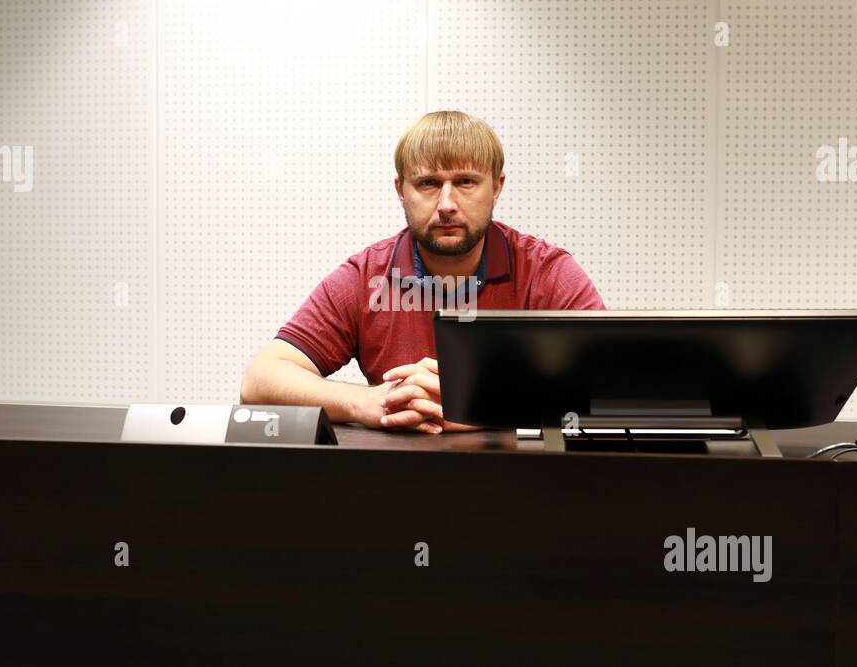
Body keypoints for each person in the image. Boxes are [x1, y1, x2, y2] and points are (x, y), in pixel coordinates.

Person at [239, 110, 605, 434]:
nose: (446, 204)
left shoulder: (546, 271)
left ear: (496, 187)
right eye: (428, 183)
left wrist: (479, 405)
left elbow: (611, 387)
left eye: (466, 182)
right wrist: (364, 402)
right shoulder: (367, 275)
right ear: (401, 190)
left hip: (522, 491)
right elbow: (261, 379)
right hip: (399, 489)